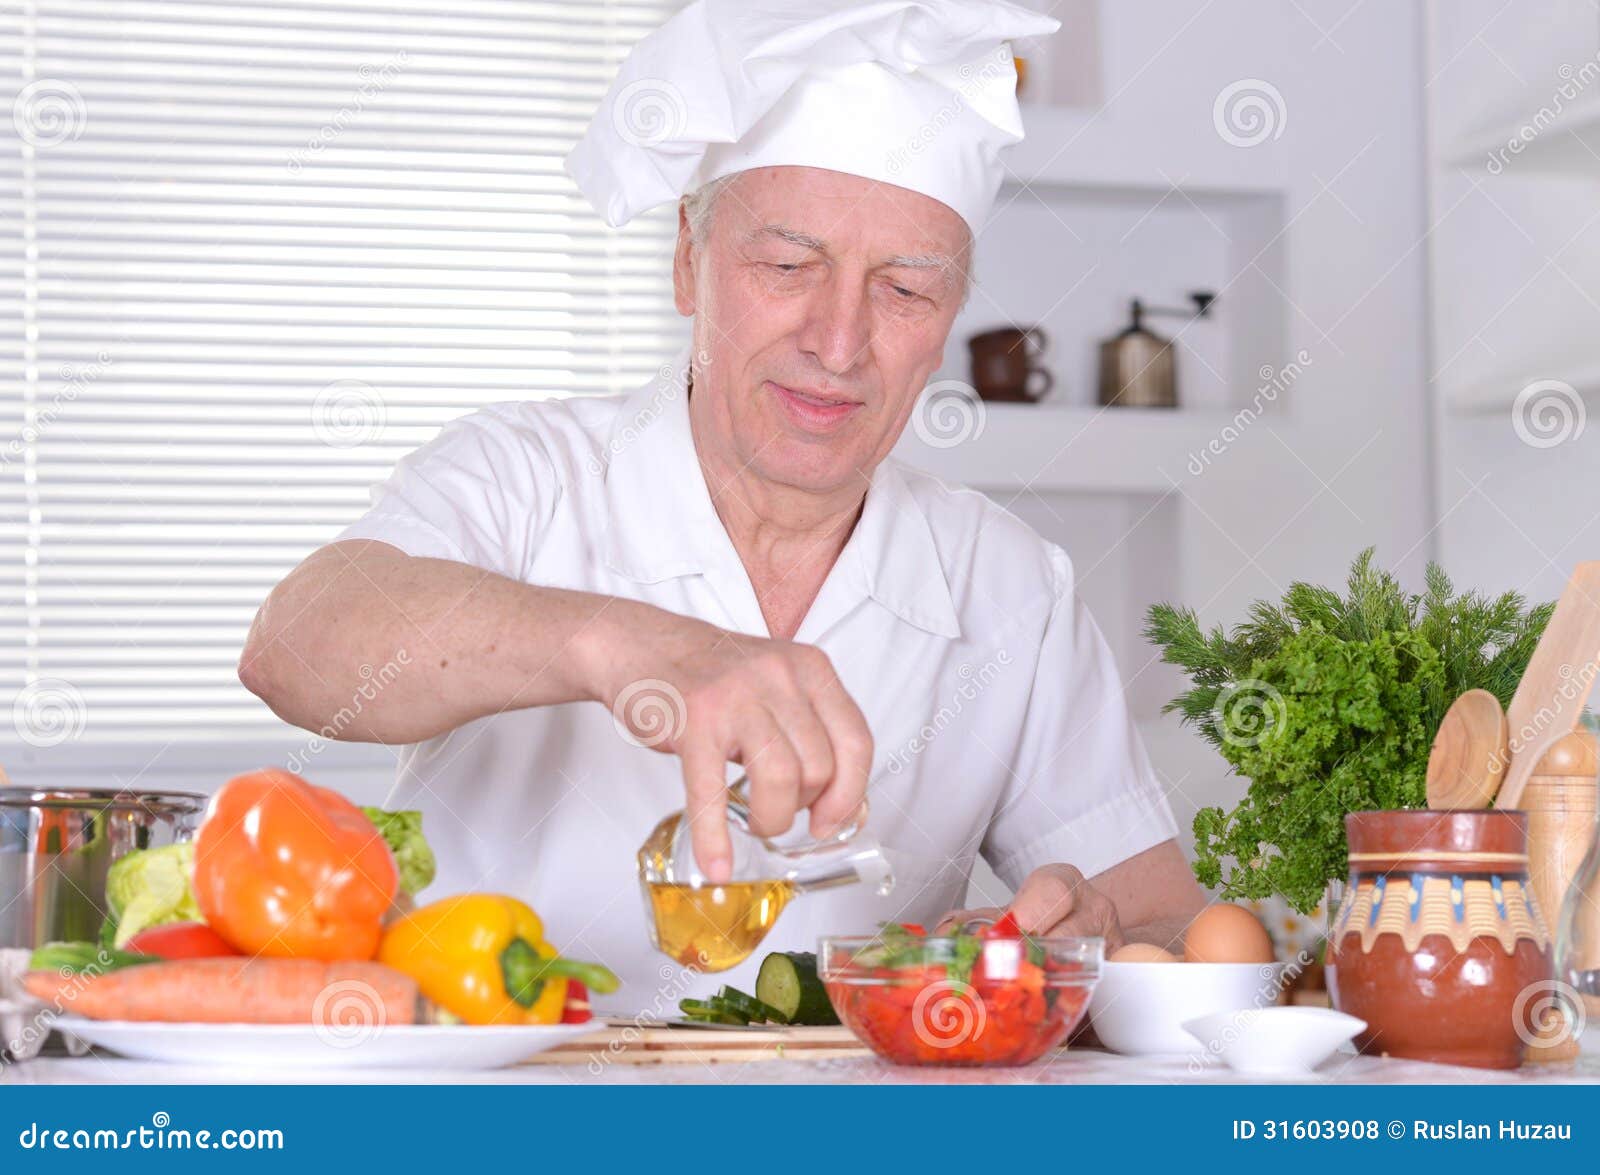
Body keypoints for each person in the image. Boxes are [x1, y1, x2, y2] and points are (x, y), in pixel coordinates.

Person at [240, 0, 1207, 1000]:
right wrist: (630, 645)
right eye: (787, 266)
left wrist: (1086, 940)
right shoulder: (525, 474)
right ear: (687, 261)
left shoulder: (1008, 586)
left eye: (905, 290)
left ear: (949, 317)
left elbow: (1170, 926)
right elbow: (296, 647)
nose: (838, 343)